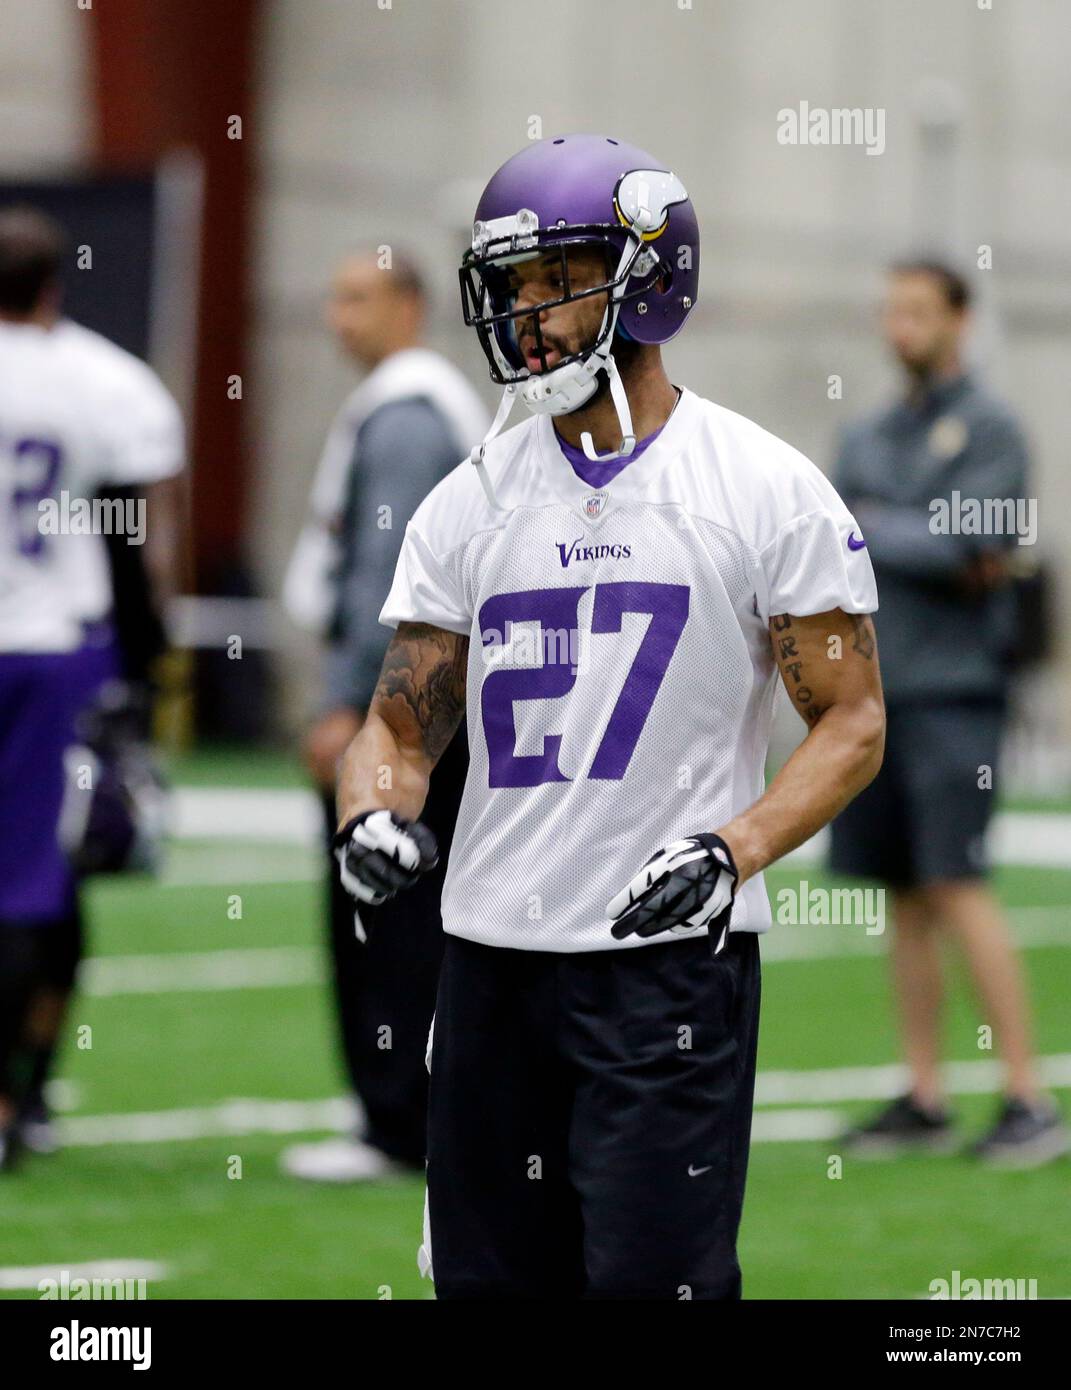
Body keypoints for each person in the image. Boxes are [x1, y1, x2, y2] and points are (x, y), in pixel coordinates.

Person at [332, 134, 884, 1299]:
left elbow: (850, 721)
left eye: (556, 278)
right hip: (486, 963)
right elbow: (397, 729)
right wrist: (374, 817)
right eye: (512, 283)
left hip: (663, 971)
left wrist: (734, 850)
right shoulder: (468, 501)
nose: (526, 312)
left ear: (648, 276)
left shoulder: (760, 487)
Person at [832, 259, 1067, 1165]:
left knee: (959, 883)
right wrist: (912, 528)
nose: (900, 326)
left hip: (957, 696)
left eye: (918, 311)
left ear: (958, 320)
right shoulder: (871, 429)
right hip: (878, 693)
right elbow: (834, 524)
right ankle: (924, 1094)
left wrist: (880, 523)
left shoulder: (993, 425)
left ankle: (1025, 1097)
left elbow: (982, 540)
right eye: (890, 310)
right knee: (904, 897)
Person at [280, 250, 487, 1181]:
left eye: (357, 297)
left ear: (409, 306)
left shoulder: (406, 413)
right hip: (432, 701)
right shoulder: (413, 404)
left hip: (405, 708)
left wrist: (348, 704)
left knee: (382, 905)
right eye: (332, 295)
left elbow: (389, 577)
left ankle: (397, 1118)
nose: (337, 316)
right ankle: (410, 1111)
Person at [0, 206, 185, 1168]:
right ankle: (21, 1094)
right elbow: (149, 536)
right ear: (54, 286)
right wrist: (149, 668)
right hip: (57, 651)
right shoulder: (101, 380)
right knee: (37, 881)